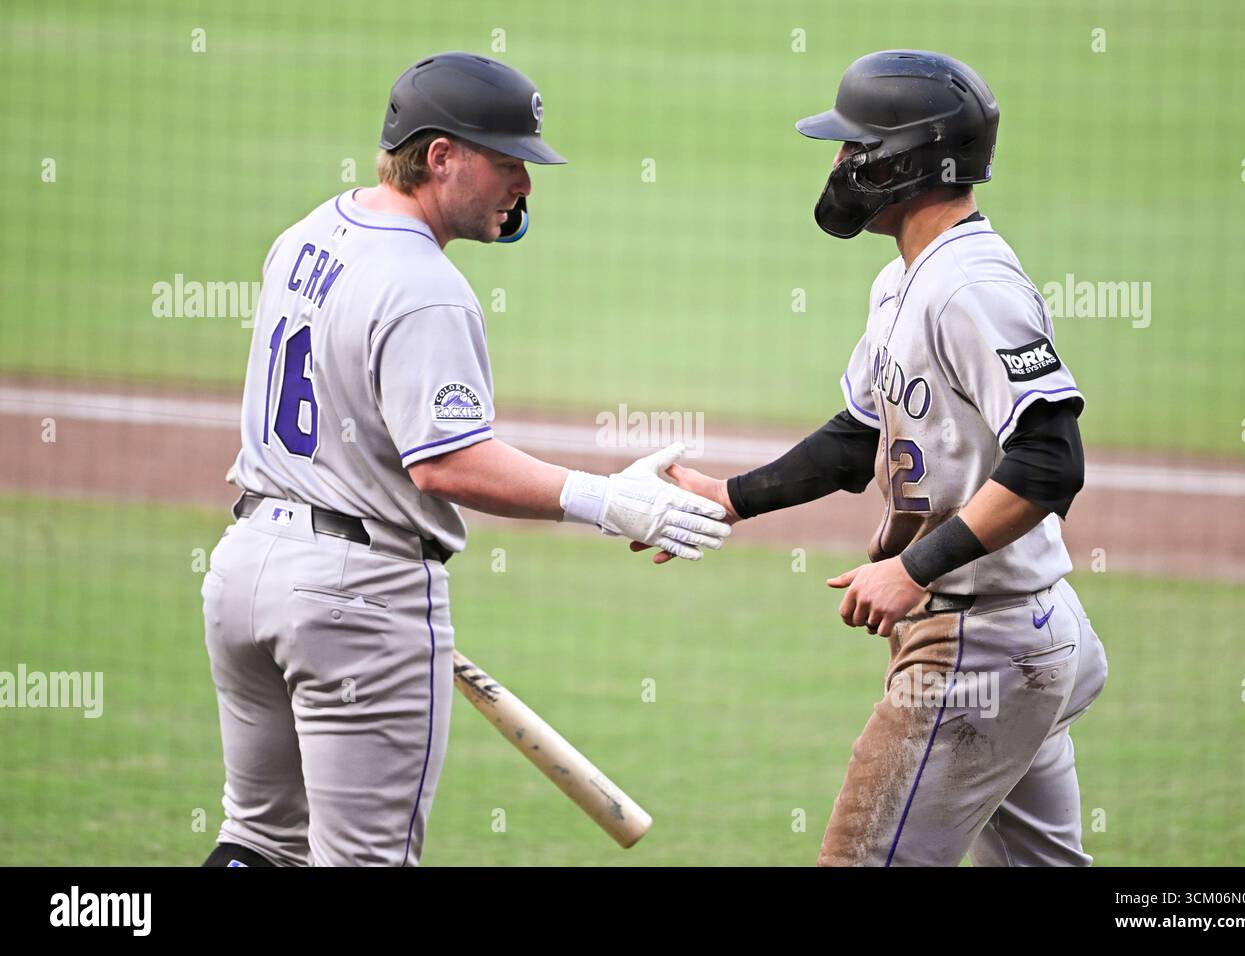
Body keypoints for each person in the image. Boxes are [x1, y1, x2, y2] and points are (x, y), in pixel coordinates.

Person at [200, 52, 730, 867]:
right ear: (440, 156)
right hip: (358, 599)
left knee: (259, 845)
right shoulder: (424, 285)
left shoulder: (310, 233)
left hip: (245, 570)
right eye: (508, 161)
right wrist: (605, 499)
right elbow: (446, 464)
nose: (525, 183)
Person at [654, 50, 1108, 866]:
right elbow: (857, 435)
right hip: (1021, 634)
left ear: (903, 159)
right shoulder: (905, 278)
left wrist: (913, 569)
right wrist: (729, 497)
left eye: (851, 146)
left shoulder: (972, 288)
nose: (837, 165)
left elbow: (1049, 460)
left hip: (981, 644)